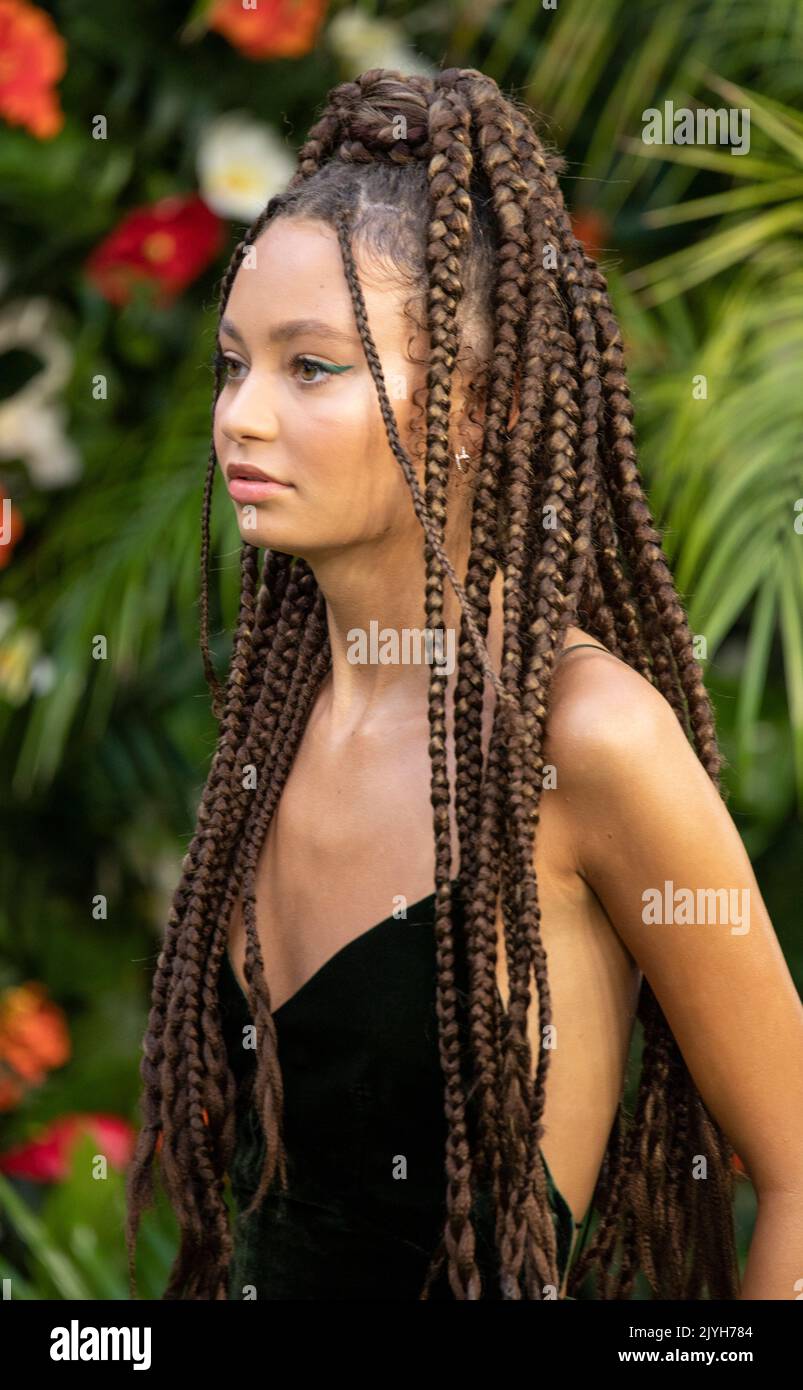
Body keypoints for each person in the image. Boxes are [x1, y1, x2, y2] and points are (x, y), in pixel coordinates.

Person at [125, 67, 803, 1301]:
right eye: (233, 365)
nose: (240, 417)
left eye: (311, 368)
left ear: (477, 405)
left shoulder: (583, 737)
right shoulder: (279, 722)